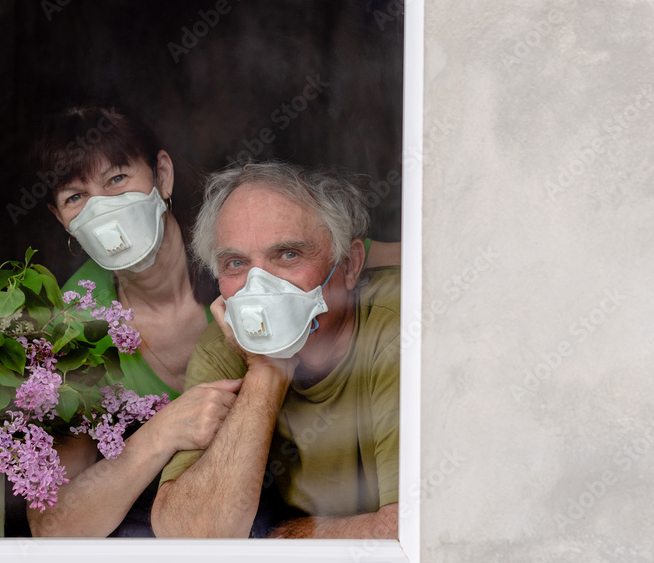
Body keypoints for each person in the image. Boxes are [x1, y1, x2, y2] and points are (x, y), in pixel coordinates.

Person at [26, 105, 400, 537]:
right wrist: (159, 433)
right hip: (196, 497)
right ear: (60, 219)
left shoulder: (245, 235)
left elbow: (409, 260)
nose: (104, 209)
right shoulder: (74, 325)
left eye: (117, 179)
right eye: (76, 197)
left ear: (161, 175)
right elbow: (54, 527)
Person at [151, 162, 400, 539]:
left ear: (348, 266)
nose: (259, 286)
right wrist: (268, 369)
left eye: (287, 255)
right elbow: (190, 535)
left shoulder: (402, 327)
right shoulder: (224, 345)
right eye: (236, 263)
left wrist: (283, 538)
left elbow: (414, 531)